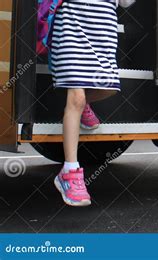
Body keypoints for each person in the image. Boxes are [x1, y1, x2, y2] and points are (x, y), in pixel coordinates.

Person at [50, 0, 128, 206]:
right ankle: (69, 172)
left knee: (110, 88)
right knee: (76, 97)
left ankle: (82, 105)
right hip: (72, 23)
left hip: (103, 29)